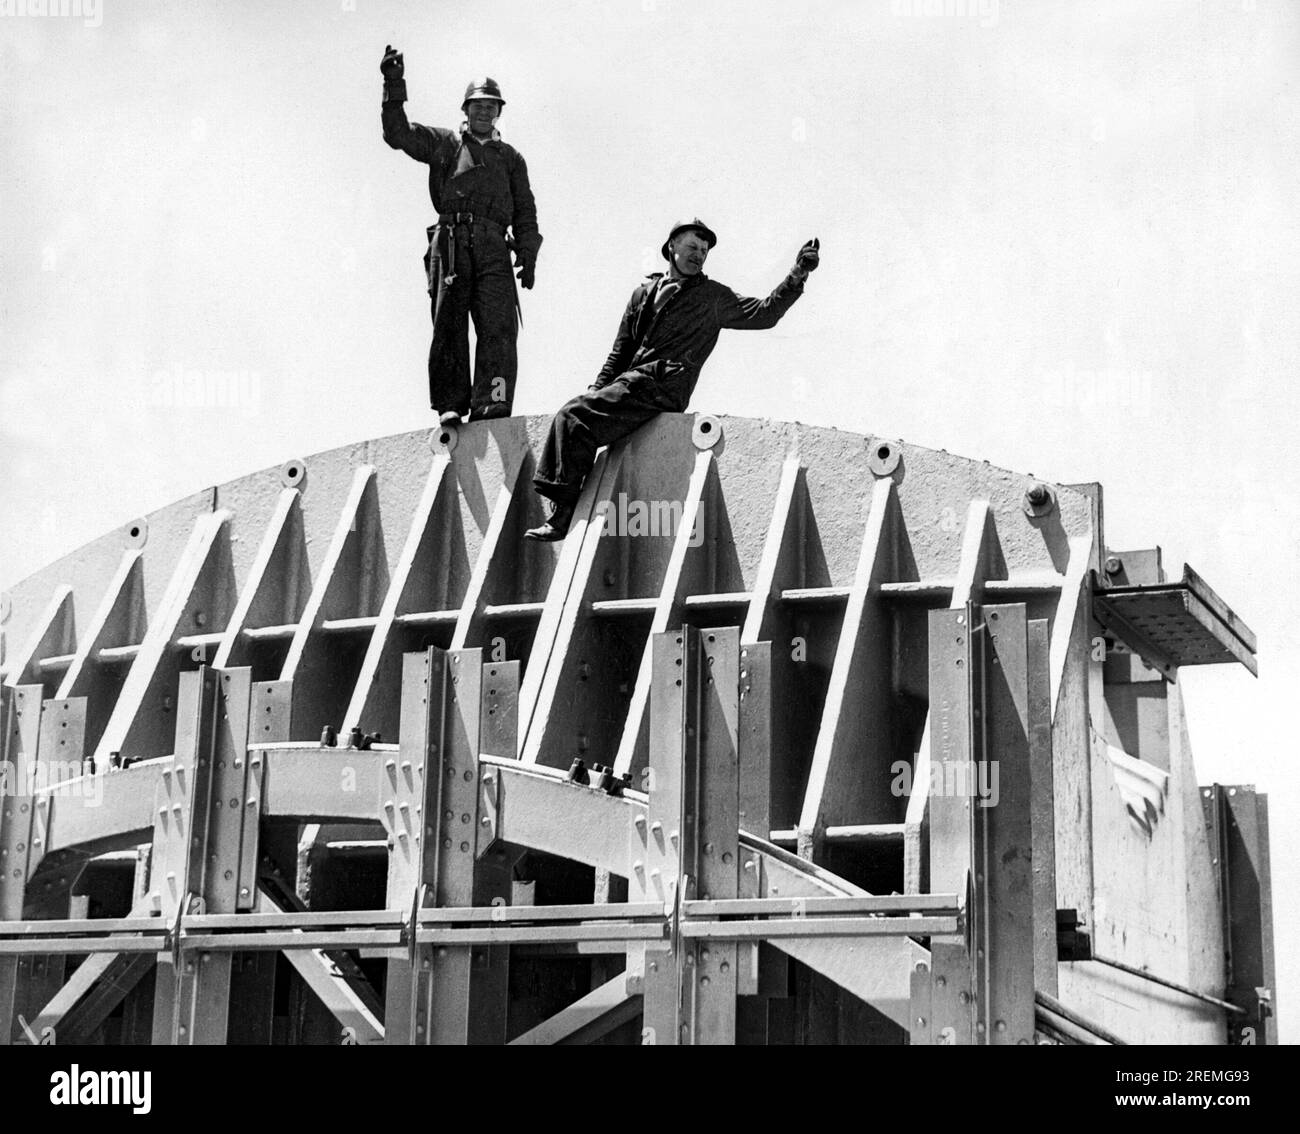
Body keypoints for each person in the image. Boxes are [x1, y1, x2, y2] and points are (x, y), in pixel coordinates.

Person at [525, 219, 819, 540]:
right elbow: (619, 354)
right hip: (632, 384)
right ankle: (568, 505)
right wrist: (596, 393)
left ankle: (562, 514)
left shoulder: (712, 297)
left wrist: (797, 274)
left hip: (664, 386)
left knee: (573, 416)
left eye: (704, 251)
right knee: (575, 415)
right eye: (693, 247)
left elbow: (765, 313)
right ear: (671, 248)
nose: (699, 255)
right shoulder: (642, 294)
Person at [380, 46, 542, 426]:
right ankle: (450, 403)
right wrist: (393, 83)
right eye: (478, 105)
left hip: (493, 246)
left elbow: (525, 209)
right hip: (451, 242)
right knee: (448, 322)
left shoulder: (511, 158)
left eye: (491, 106)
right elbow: (398, 134)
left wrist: (529, 252)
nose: (484, 111)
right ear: (465, 109)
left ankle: (493, 401)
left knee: (499, 326)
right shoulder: (445, 144)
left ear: (498, 111)